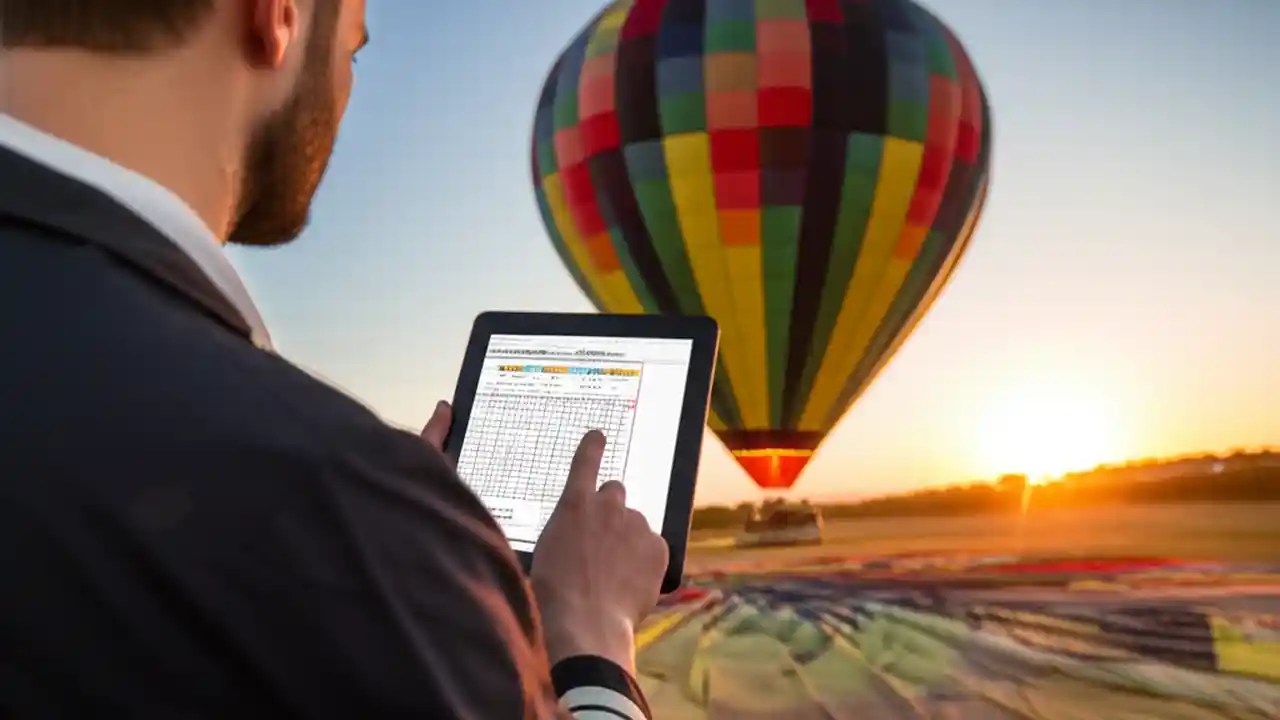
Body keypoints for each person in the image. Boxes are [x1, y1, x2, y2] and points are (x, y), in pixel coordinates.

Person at [0, 1, 669, 718]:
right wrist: (593, 643)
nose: (346, 94)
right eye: (353, 51)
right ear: (276, 16)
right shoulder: (334, 513)